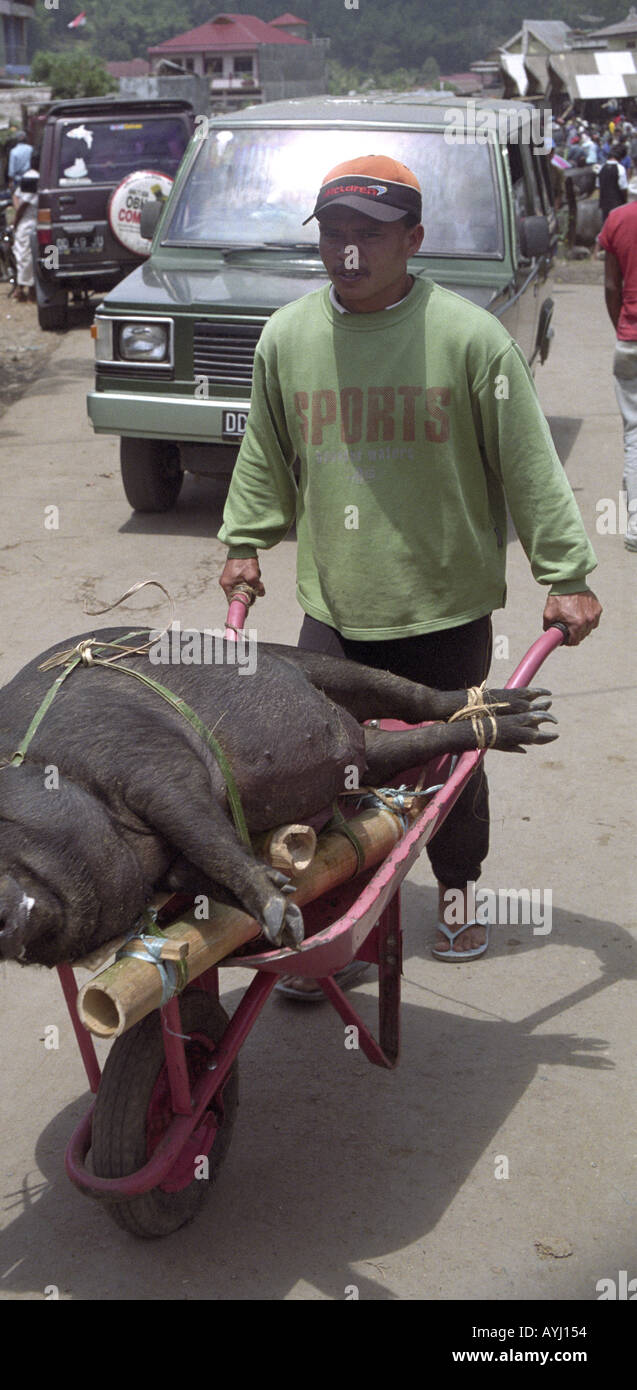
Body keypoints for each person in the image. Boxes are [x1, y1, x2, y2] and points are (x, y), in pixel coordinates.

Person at [217, 155, 602, 985]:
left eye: (370, 234)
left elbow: (526, 464)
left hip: (443, 605)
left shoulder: (467, 337)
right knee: (328, 773)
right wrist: (245, 540)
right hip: (337, 608)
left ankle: (457, 899)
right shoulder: (288, 337)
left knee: (451, 765)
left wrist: (565, 570)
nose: (348, 252)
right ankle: (344, 932)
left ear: (412, 240)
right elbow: (264, 455)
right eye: (333, 234)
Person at [598, 195, 637, 551]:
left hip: (630, 339)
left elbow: (612, 286)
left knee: (635, 434)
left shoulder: (618, 219)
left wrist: (621, 328)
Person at [11, 168, 38, 302]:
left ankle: (29, 289)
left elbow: (23, 204)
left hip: (32, 222)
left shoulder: (33, 177)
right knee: (24, 256)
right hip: (30, 221)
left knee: (26, 256)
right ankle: (24, 288)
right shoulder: (32, 177)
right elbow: (17, 197)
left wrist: (16, 220)